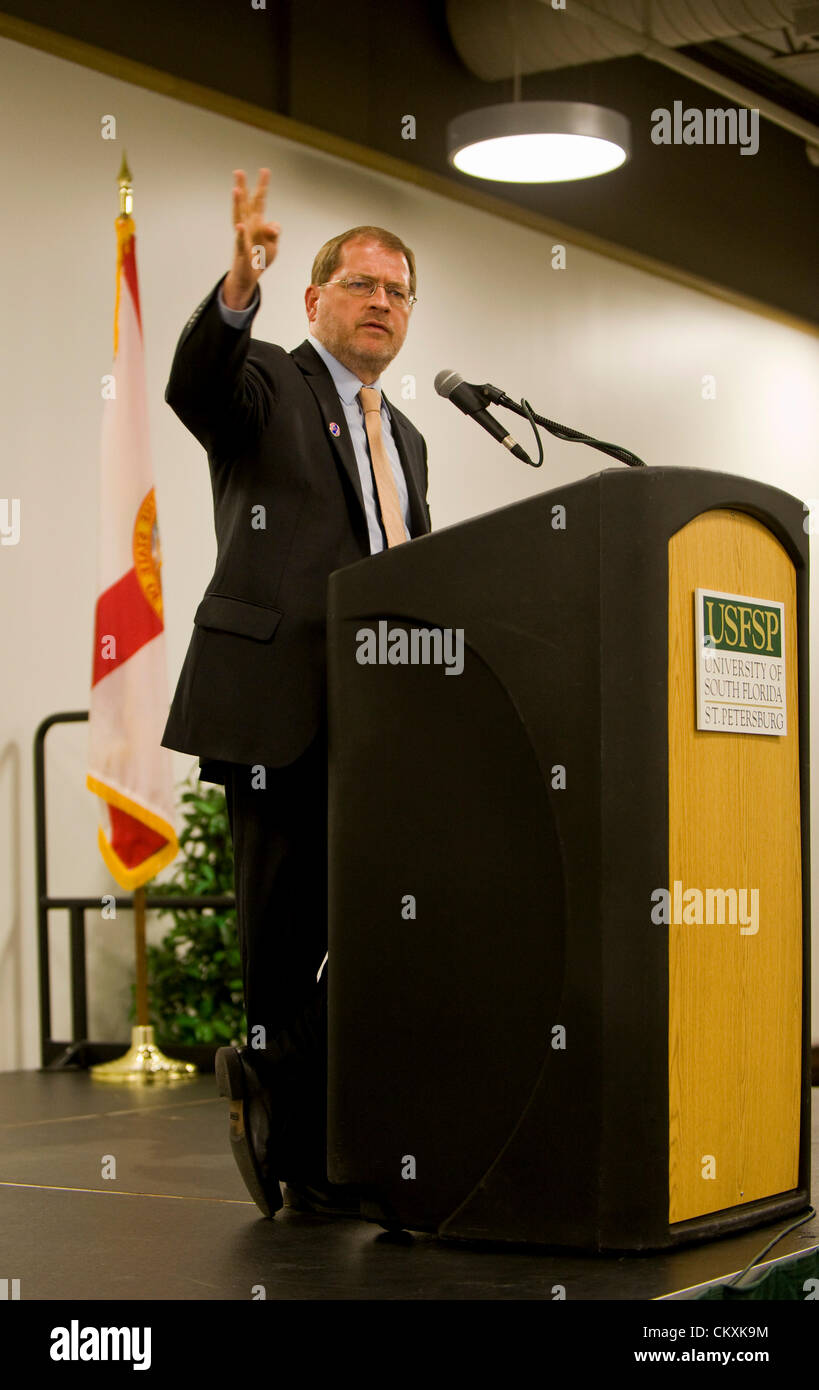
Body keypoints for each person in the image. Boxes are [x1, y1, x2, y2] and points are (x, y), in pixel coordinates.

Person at [160, 168, 431, 1219]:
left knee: (367, 937)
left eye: (398, 293)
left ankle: (349, 1140)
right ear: (315, 298)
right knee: (279, 943)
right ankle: (287, 1155)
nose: (381, 304)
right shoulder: (267, 380)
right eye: (361, 284)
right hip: (279, 709)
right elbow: (197, 380)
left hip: (381, 725)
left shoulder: (404, 435)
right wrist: (240, 279)